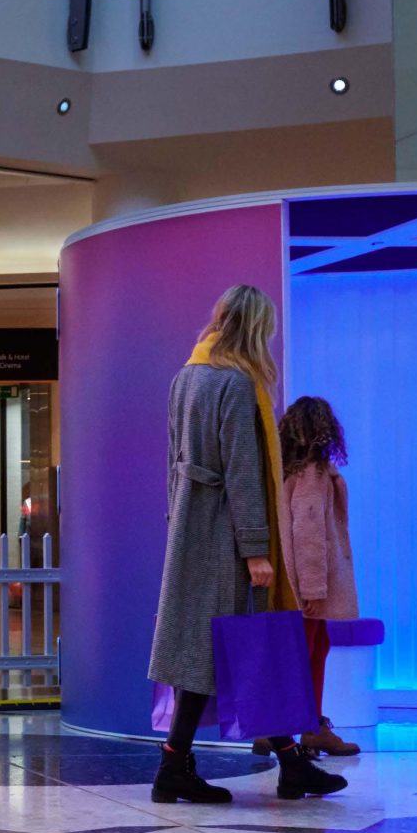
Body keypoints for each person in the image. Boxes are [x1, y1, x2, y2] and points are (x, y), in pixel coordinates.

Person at [147, 284, 346, 804]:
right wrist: (256, 548)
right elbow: (243, 471)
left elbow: (173, 461)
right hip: (226, 536)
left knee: (214, 650)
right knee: (247, 645)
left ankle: (278, 762)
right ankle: (187, 766)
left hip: (191, 528)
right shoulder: (235, 383)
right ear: (257, 329)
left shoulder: (186, 375)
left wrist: (177, 522)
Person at [277, 396, 360, 758]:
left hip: (292, 581)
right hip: (306, 586)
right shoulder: (313, 474)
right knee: (308, 651)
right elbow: (309, 535)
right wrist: (311, 588)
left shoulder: (287, 473)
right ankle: (308, 727)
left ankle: (280, 727)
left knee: (310, 647)